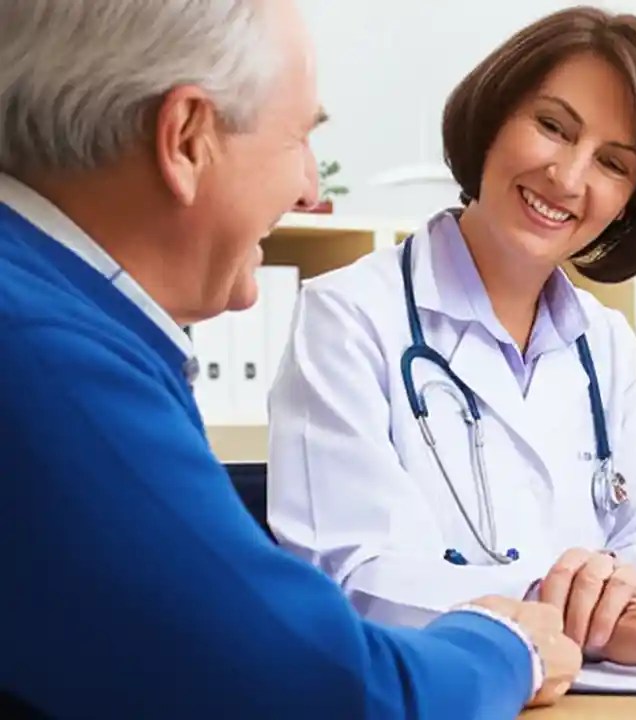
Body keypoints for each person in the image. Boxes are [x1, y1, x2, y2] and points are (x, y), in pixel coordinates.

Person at [0, 1, 582, 717]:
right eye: (300, 138)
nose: (312, 189)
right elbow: (322, 687)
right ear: (186, 138)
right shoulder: (46, 358)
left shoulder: (56, 315)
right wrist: (505, 644)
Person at [267, 6, 636, 674]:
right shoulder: (348, 316)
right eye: (553, 127)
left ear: (631, 204)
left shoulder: (603, 343)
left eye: (612, 164)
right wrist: (564, 610)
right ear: (494, 118)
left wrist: (627, 598)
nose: (569, 178)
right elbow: (352, 577)